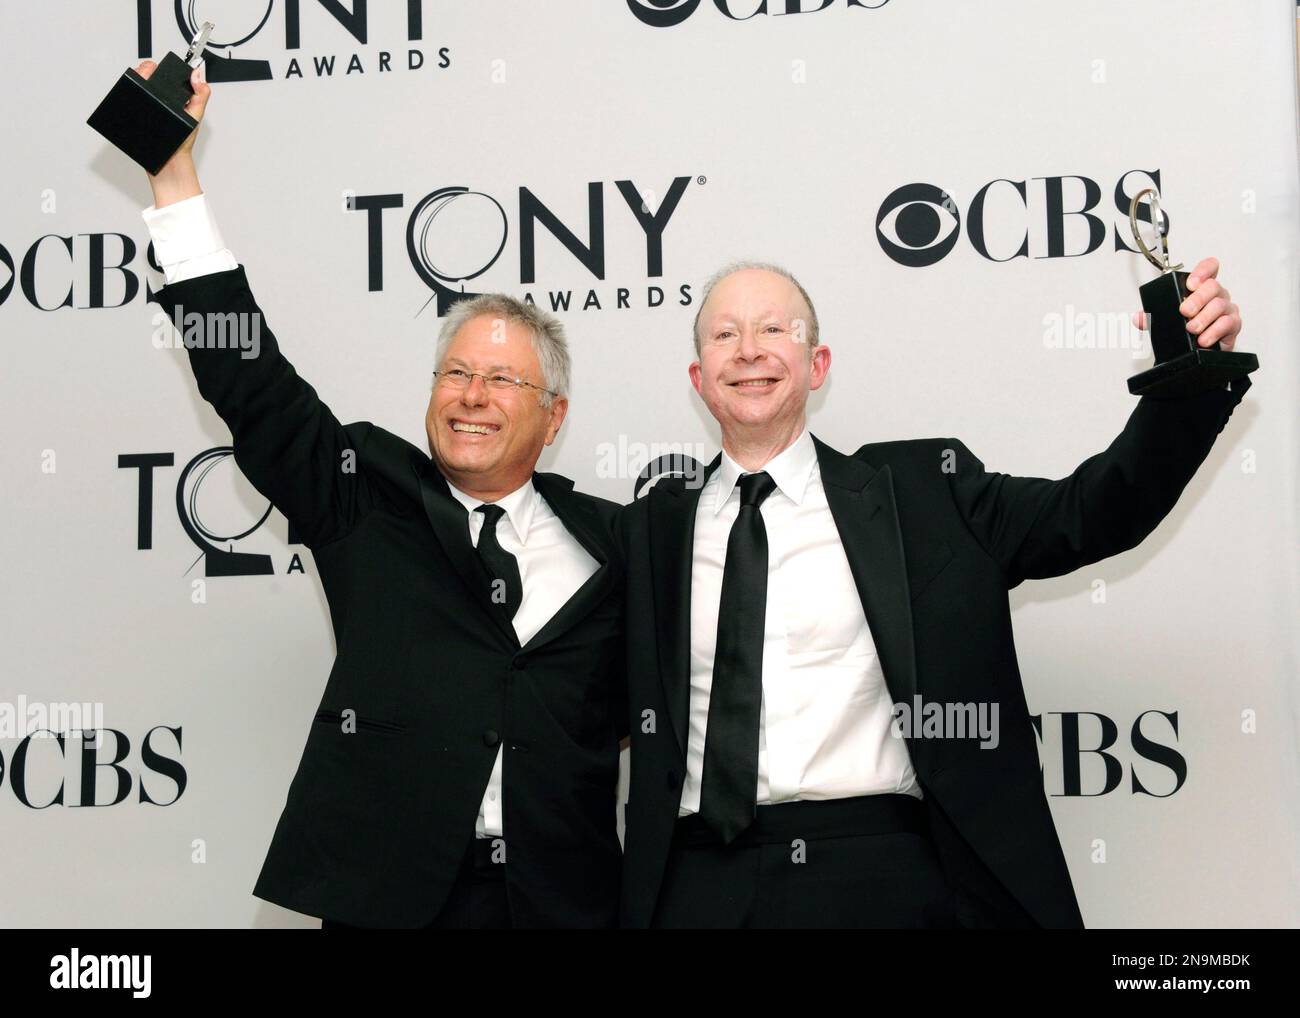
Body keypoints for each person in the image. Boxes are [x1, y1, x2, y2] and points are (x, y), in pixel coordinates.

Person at [134, 60, 625, 928]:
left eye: (502, 380)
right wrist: (174, 174)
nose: (472, 395)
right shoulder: (363, 493)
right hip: (389, 905)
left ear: (554, 419)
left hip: (565, 906)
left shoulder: (619, 545)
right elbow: (251, 383)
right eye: (457, 372)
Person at [617, 260, 1250, 928]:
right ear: (697, 378)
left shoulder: (925, 494)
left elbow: (1094, 510)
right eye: (724, 334)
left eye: (774, 328)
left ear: (817, 363)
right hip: (694, 886)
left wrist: (1193, 370)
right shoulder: (644, 533)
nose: (749, 349)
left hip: (881, 875)